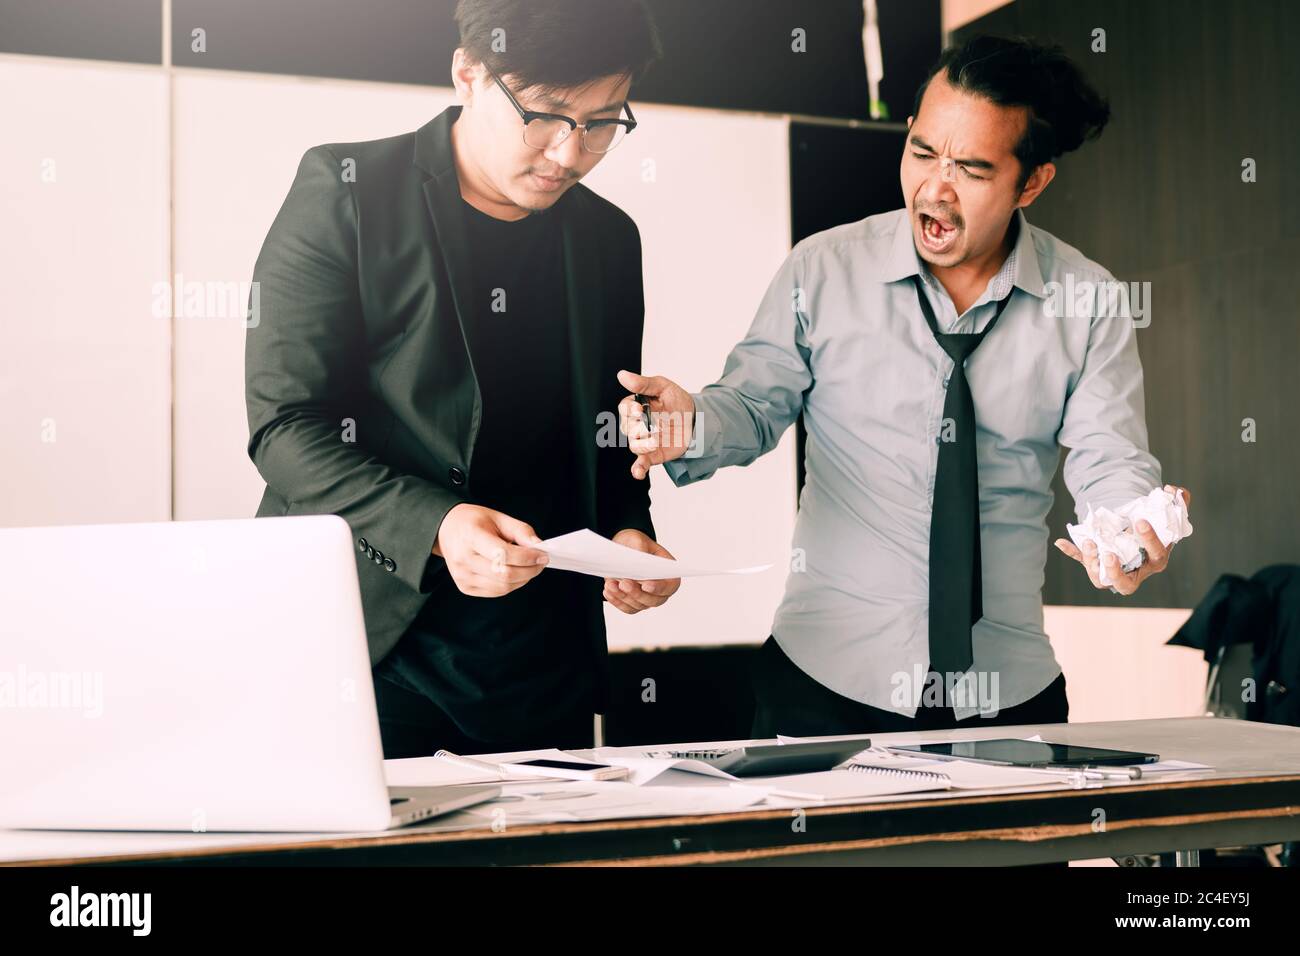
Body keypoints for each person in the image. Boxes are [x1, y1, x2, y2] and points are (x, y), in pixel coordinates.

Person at [618, 35, 1192, 739]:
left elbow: (1111, 457)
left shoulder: (1089, 300)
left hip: (1011, 696)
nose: (934, 190)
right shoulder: (823, 271)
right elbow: (751, 405)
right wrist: (691, 421)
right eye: (921, 152)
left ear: (1031, 182)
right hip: (823, 685)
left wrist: (1130, 528)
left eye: (973, 169)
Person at [245, 0, 677, 759]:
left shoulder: (609, 238)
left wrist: (628, 530)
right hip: (372, 642)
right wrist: (437, 525)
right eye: (544, 115)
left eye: (604, 121)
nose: (570, 153)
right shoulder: (347, 192)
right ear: (469, 73)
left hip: (541, 660)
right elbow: (284, 428)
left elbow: (604, 431)